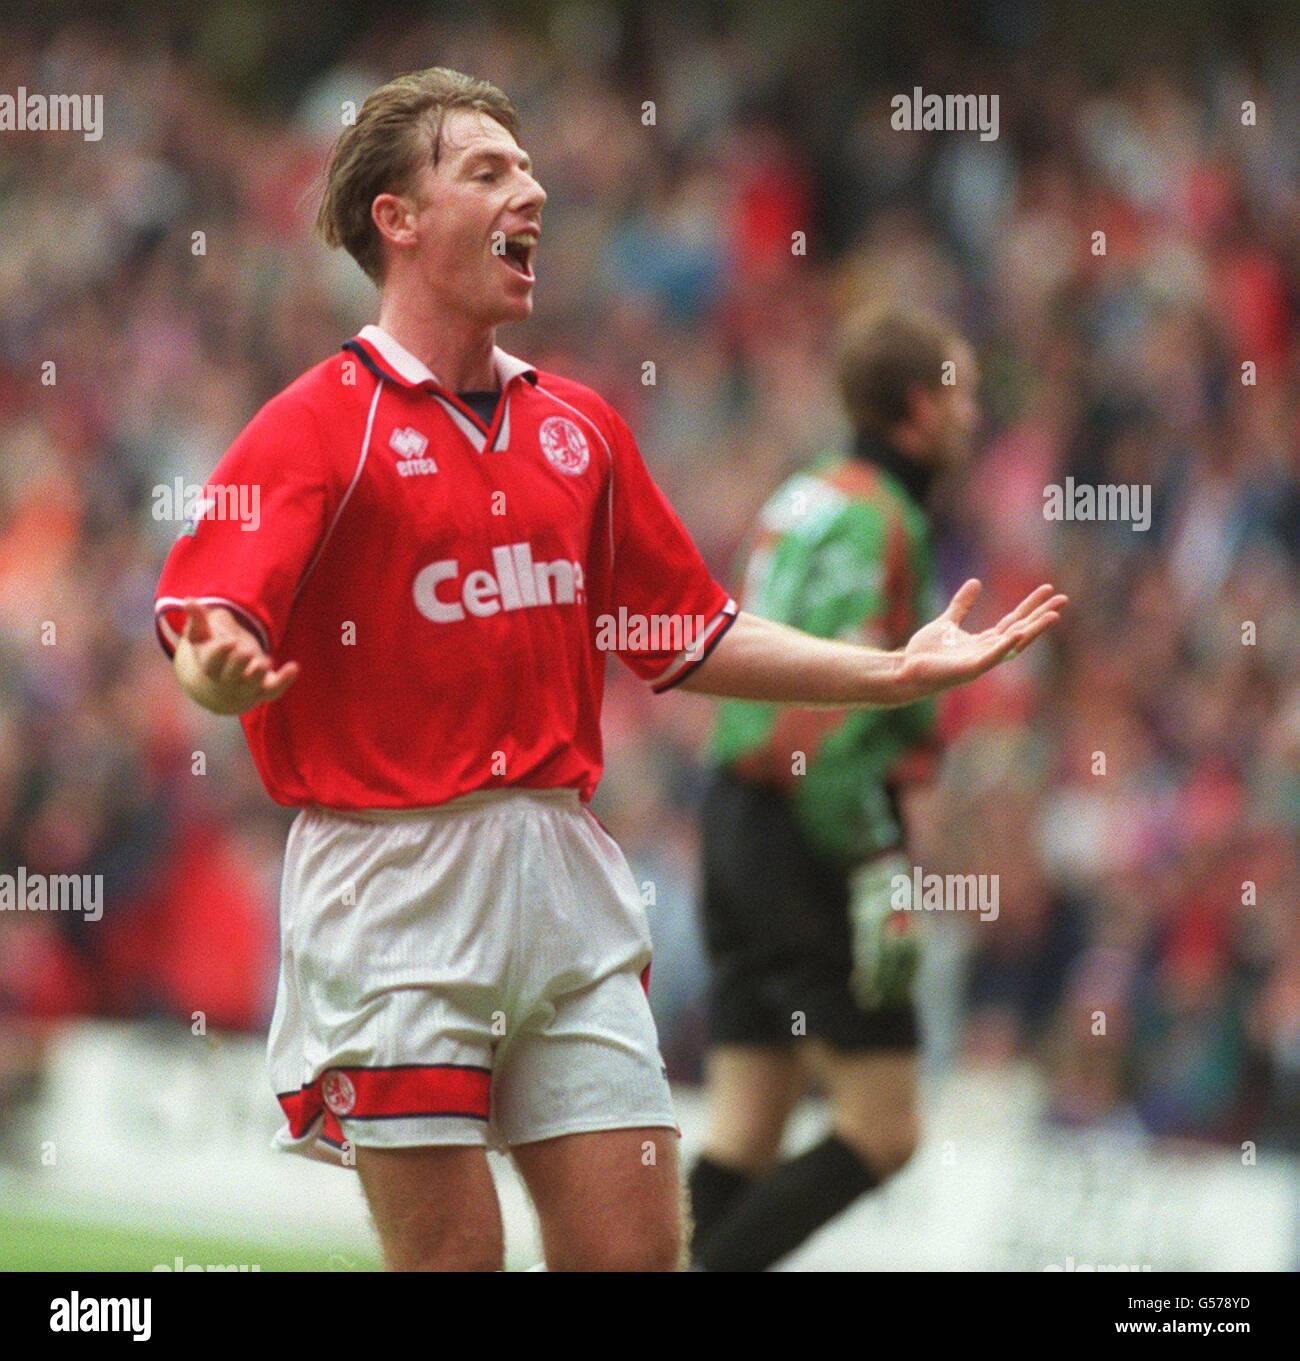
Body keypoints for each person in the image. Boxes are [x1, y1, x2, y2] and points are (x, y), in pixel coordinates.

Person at [153, 68, 1065, 1272]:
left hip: (567, 875)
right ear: (397, 218)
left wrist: (886, 669)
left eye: (525, 168)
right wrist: (218, 675)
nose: (530, 188)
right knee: (453, 1262)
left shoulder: (576, 427)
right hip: (397, 886)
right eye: (485, 170)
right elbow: (204, 615)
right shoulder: (323, 420)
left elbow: (684, 632)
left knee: (637, 1255)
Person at [689, 307, 986, 1271]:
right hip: (808, 826)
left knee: (748, 1122)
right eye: (962, 391)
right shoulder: (882, 519)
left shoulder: (802, 494)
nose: (975, 413)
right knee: (886, 1124)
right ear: (918, 405)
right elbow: (831, 716)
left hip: (732, 818)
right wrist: (875, 862)